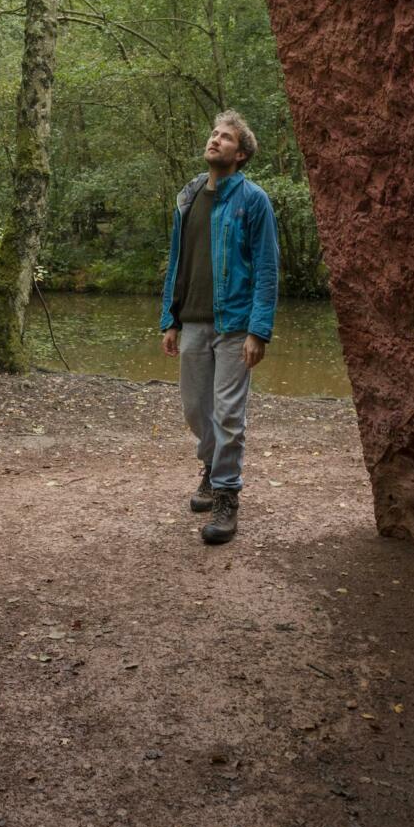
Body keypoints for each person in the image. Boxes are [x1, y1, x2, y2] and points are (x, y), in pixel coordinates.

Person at [160, 111, 279, 545]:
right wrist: (169, 319)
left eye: (226, 137)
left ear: (240, 153)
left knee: (229, 412)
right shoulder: (188, 197)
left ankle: (227, 494)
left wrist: (259, 330)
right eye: (213, 133)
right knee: (195, 409)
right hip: (191, 319)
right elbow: (178, 263)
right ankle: (211, 467)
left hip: (235, 323)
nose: (215, 140)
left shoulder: (253, 200)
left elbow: (267, 268)